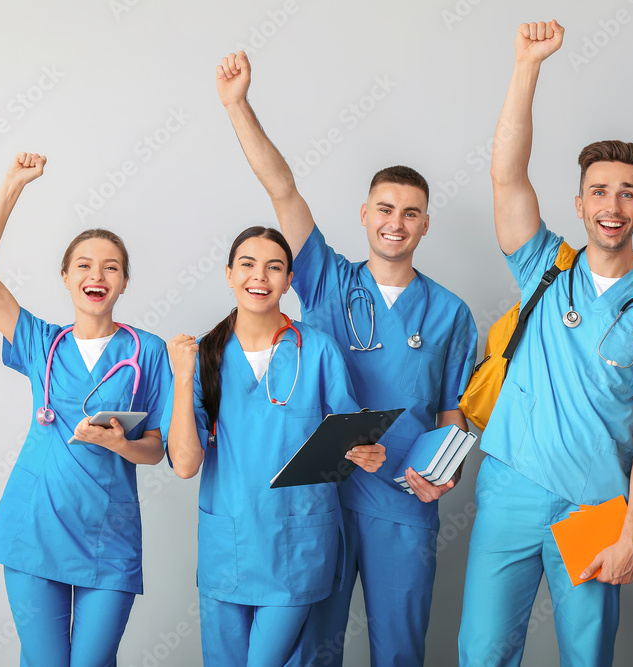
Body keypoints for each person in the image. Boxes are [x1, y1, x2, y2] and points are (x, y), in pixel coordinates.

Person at [216, 52, 478, 666]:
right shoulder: (326, 279)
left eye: (410, 213)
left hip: (402, 499)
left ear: (426, 224)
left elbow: (453, 412)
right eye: (384, 209)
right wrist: (237, 105)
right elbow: (282, 189)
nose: (395, 222)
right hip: (320, 499)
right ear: (365, 215)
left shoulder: (451, 313)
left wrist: (448, 472)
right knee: (313, 649)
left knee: (399, 648)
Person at [457, 21, 633, 666]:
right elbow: (507, 176)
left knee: (587, 657)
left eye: (626, 194)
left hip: (595, 505)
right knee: (482, 652)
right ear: (581, 204)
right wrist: (526, 67)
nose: (612, 205)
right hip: (510, 488)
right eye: (599, 192)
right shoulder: (546, 267)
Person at [0, 152, 173, 666]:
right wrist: (12, 186)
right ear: (65, 277)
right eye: (84, 265)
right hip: (33, 531)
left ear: (124, 282)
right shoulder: (41, 342)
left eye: (111, 267)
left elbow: (156, 449)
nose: (97, 274)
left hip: (109, 538)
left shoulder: (148, 351)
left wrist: (121, 443)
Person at [162, 226, 387, 665]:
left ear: (288, 281)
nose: (259, 276)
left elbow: (350, 437)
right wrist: (184, 376)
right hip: (229, 546)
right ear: (229, 274)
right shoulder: (203, 356)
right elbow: (185, 465)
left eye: (274, 267)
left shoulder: (318, 351)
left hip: (296, 545)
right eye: (247, 264)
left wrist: (367, 452)